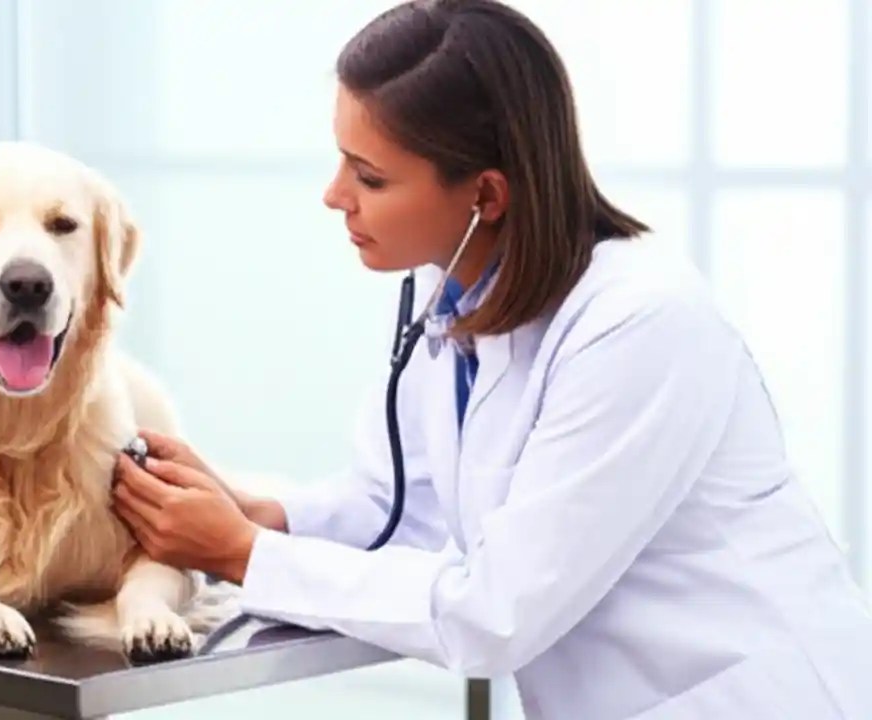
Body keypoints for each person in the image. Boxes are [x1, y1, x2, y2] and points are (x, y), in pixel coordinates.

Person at [110, 1, 872, 718]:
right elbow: (405, 505)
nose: (333, 195)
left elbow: (497, 615)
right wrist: (266, 517)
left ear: (487, 195)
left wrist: (245, 555)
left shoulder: (642, 327)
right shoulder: (449, 286)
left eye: (369, 176)